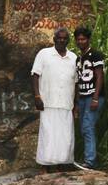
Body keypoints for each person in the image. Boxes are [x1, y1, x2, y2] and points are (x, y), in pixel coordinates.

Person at [31, 27, 78, 170]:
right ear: (54, 39)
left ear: (68, 41)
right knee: (48, 135)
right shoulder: (44, 54)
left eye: (65, 38)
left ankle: (60, 166)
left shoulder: (74, 58)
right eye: (59, 38)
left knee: (64, 137)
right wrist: (37, 96)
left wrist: (76, 104)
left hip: (66, 103)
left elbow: (76, 82)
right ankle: (44, 167)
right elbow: (35, 75)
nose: (62, 40)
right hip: (48, 102)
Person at [72, 25, 105, 171]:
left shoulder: (96, 55)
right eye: (78, 39)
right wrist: (77, 102)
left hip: (93, 96)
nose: (80, 42)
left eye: (83, 39)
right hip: (83, 97)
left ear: (89, 39)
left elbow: (99, 76)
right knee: (84, 128)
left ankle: (90, 162)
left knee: (87, 126)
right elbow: (79, 82)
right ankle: (89, 159)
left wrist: (96, 98)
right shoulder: (78, 59)